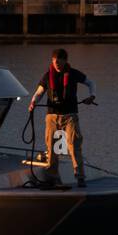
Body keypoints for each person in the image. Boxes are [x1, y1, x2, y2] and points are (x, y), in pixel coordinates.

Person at [27, 48, 96, 188]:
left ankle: (80, 177)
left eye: (59, 61)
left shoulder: (74, 74)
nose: (56, 64)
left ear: (65, 61)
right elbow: (39, 92)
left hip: (70, 116)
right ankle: (53, 177)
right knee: (52, 148)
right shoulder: (47, 76)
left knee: (73, 145)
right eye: (54, 61)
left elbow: (91, 83)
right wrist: (33, 102)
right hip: (52, 116)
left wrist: (91, 96)